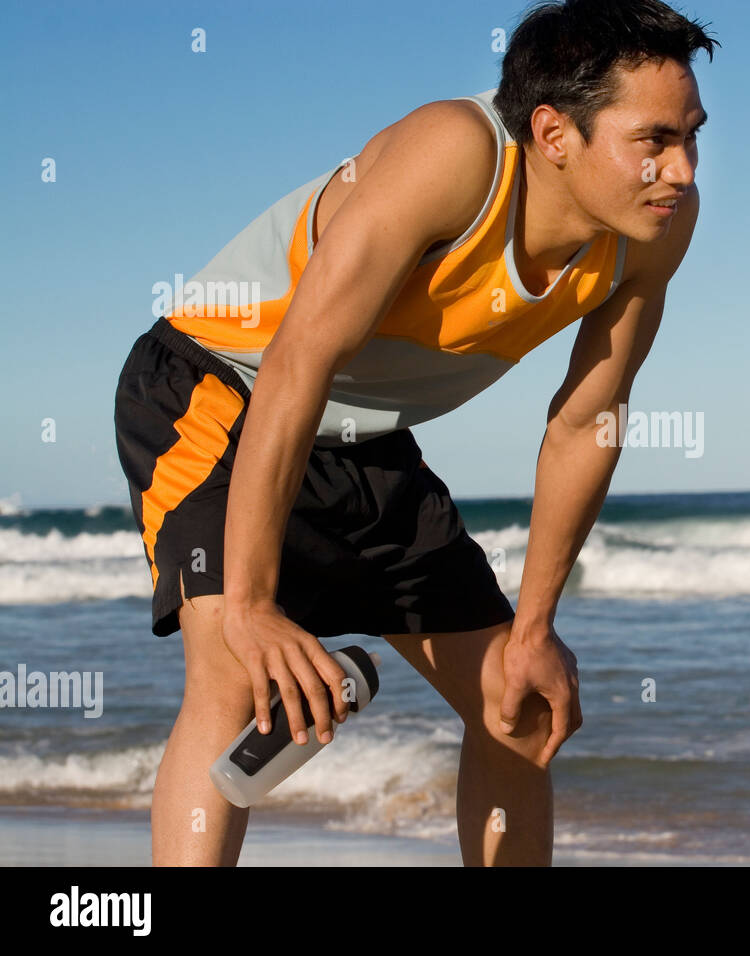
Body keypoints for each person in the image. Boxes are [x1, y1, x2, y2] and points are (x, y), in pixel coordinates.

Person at [112, 0, 717, 866]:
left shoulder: (653, 229)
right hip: (219, 390)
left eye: (693, 134)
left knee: (516, 704)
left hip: (365, 435)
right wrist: (249, 605)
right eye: (653, 140)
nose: (682, 169)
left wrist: (535, 627)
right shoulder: (454, 156)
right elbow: (297, 363)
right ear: (553, 133)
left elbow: (586, 420)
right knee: (235, 676)